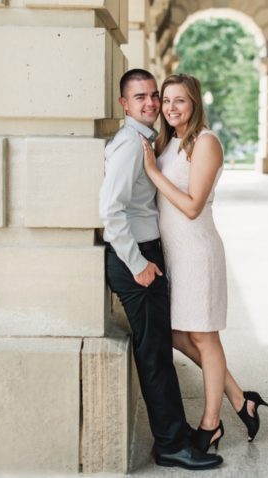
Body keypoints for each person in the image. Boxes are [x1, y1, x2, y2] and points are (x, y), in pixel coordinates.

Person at [99, 68, 222, 470]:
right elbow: (111, 212)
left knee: (159, 352)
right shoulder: (131, 146)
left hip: (150, 253)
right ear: (124, 103)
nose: (153, 103)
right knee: (154, 356)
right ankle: (171, 445)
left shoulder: (151, 140)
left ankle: (177, 432)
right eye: (142, 97)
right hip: (136, 259)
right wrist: (139, 265)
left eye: (156, 95)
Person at [140, 73, 268, 453]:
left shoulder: (206, 142)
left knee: (205, 337)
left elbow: (193, 206)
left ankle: (211, 424)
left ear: (195, 103)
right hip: (173, 254)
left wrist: (153, 173)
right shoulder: (166, 140)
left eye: (180, 100)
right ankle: (240, 397)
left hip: (197, 253)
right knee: (178, 333)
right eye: (166, 100)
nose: (170, 107)